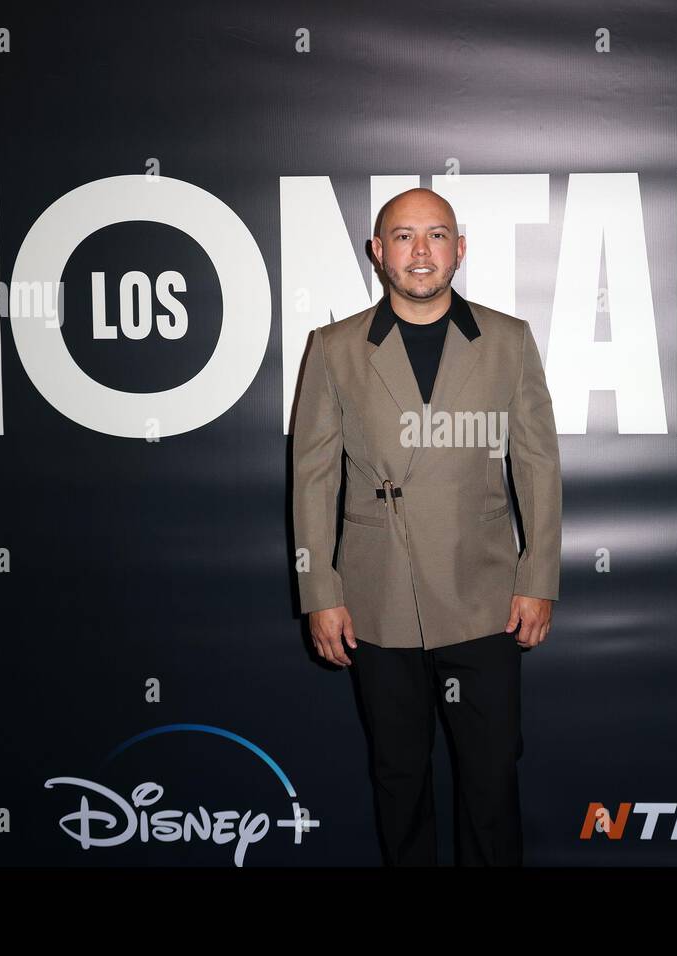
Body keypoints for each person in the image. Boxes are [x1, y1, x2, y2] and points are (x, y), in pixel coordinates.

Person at [291, 187, 563, 865]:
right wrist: (320, 590)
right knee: (399, 780)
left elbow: (536, 464)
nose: (421, 252)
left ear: (459, 249)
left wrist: (539, 578)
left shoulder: (508, 340)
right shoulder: (332, 347)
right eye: (404, 237)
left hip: (485, 597)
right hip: (378, 597)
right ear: (378, 253)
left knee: (491, 780)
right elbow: (313, 477)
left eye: (437, 235)